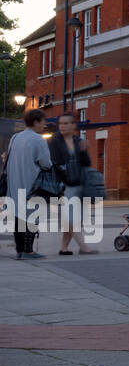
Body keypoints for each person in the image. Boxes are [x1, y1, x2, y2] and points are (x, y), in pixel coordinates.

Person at [5, 109, 53, 259]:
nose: (44, 125)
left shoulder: (15, 138)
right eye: (43, 121)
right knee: (32, 216)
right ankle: (28, 250)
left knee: (18, 217)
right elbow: (46, 164)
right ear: (36, 122)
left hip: (13, 182)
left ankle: (20, 250)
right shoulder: (39, 140)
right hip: (32, 183)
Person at [50, 112, 97, 255]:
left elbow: (87, 164)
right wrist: (62, 180)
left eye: (66, 123)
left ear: (73, 125)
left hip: (79, 184)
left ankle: (64, 248)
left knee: (73, 218)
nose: (62, 126)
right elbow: (54, 163)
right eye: (60, 124)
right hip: (65, 186)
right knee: (71, 218)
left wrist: (83, 151)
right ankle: (84, 247)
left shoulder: (78, 141)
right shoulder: (54, 141)